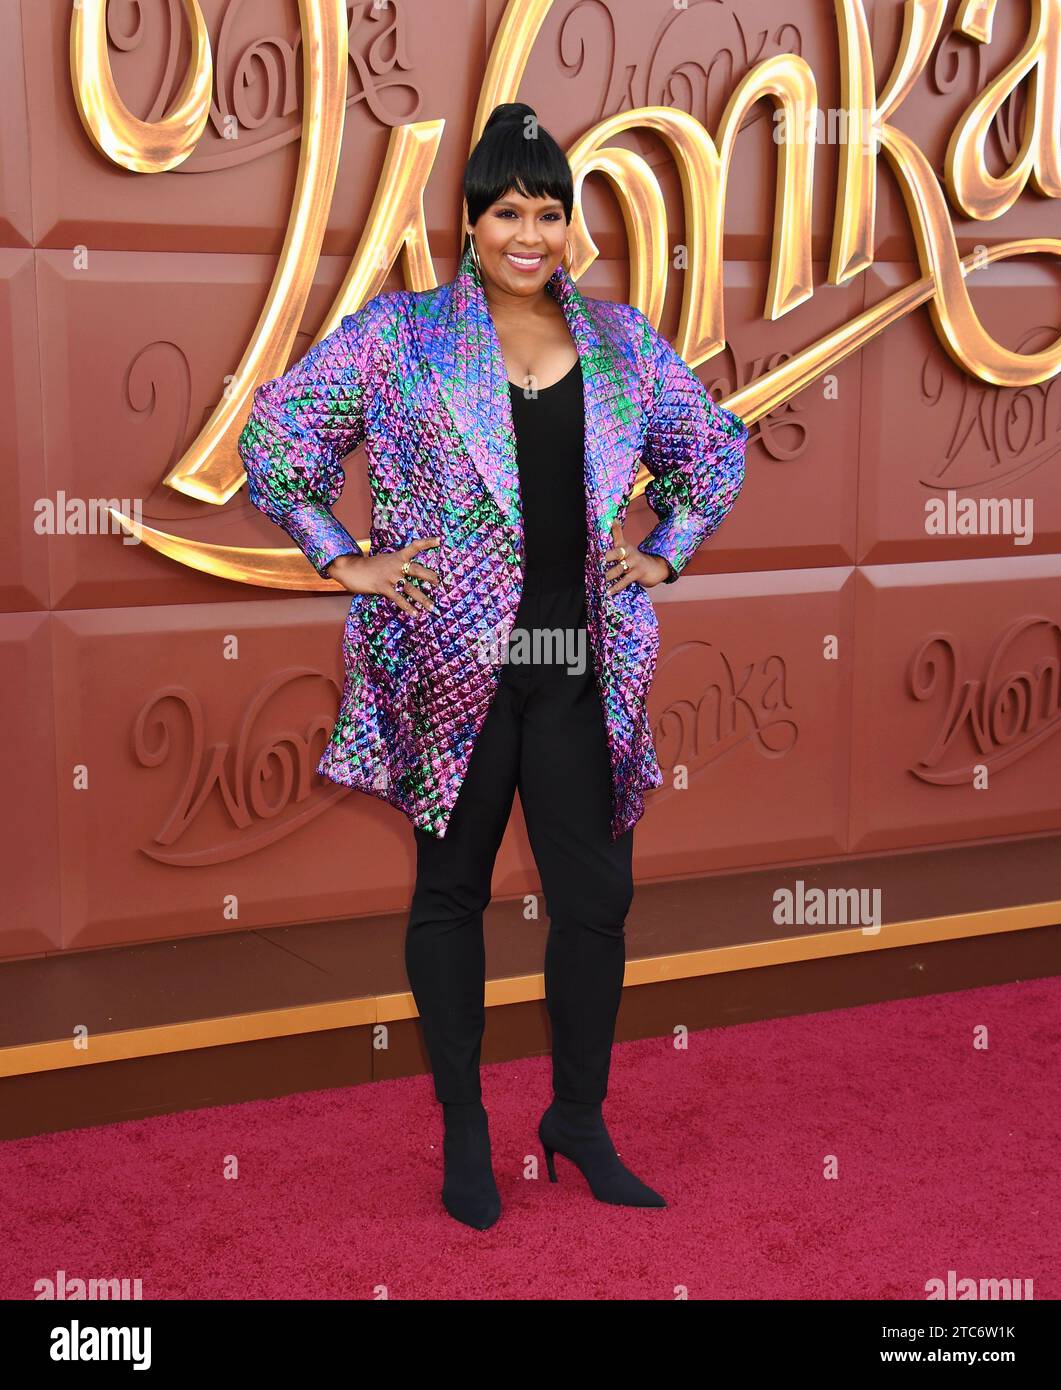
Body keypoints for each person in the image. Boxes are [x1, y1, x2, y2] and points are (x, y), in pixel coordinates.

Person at [238, 101, 748, 1231]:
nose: (531, 233)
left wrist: (661, 548)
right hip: (451, 669)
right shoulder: (400, 335)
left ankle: (576, 1117)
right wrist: (345, 557)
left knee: (597, 902)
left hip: (579, 664)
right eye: (509, 211)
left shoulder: (620, 345)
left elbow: (713, 452)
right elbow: (273, 443)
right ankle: (465, 1128)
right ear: (470, 222)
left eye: (551, 213)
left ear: (571, 227)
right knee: (451, 894)